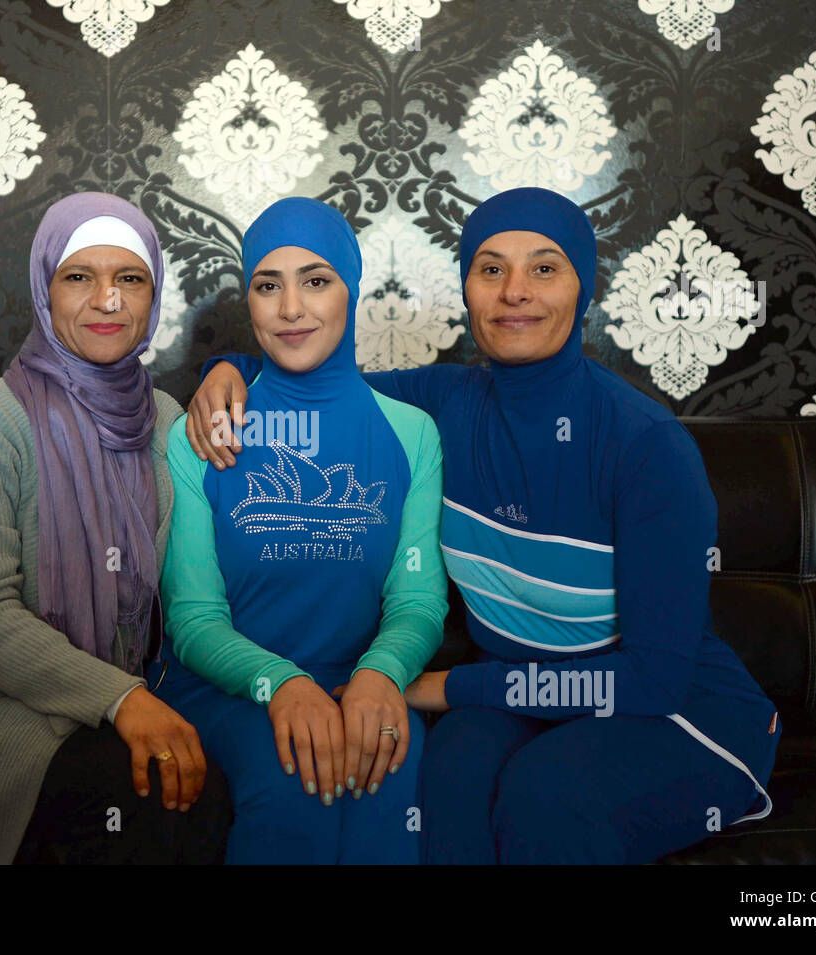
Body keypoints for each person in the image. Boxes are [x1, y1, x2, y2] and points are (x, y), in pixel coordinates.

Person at [187, 186, 782, 864]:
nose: (515, 291)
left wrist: (440, 685)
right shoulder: (439, 404)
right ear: (467, 288)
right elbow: (315, 372)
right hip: (519, 687)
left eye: (545, 267)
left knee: (546, 794)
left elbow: (651, 679)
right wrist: (225, 370)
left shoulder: (646, 446)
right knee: (444, 784)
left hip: (674, 707)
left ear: (583, 288)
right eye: (492, 268)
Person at [0, 192, 230, 864]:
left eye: (130, 278)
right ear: (44, 288)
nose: (108, 300)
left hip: (115, 696)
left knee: (201, 781)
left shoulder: (164, 418)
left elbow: (189, 591)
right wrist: (123, 698)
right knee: (156, 796)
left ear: (153, 294)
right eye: (78, 277)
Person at [154, 196, 449, 864]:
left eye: (315, 280)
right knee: (297, 785)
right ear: (249, 298)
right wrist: (280, 684)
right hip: (232, 686)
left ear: (351, 289)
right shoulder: (203, 432)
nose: (290, 308)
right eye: (268, 285)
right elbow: (195, 618)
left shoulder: (411, 433)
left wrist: (381, 672)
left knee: (389, 785)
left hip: (362, 682)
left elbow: (417, 600)